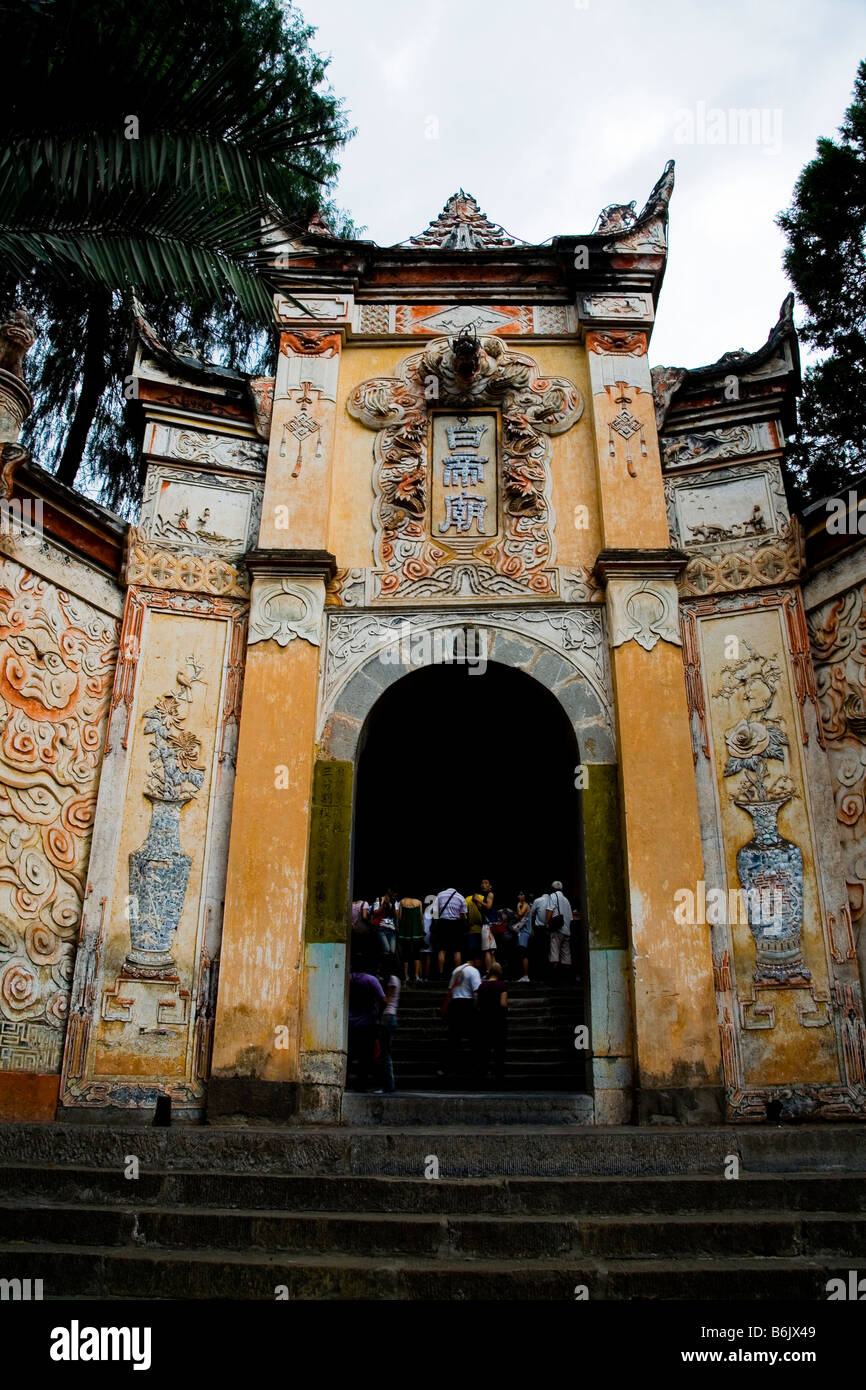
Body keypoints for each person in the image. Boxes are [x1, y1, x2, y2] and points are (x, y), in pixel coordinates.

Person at [443, 951, 481, 1080]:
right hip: (467, 1003)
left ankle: (448, 1067)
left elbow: (450, 989)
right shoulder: (474, 972)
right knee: (474, 1037)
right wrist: (476, 1007)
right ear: (476, 960)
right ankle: (475, 1067)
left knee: (453, 1037)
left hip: (455, 1003)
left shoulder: (456, 970)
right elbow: (476, 992)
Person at [347, 961, 385, 1091]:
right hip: (368, 1022)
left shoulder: (349, 979)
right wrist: (378, 1014)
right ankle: (361, 1084)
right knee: (365, 1056)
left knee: (350, 1054)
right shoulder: (371, 980)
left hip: (351, 1022)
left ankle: (345, 1082)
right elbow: (383, 999)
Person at [477, 961, 508, 1083]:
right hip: (498, 1021)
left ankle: (482, 1074)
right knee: (499, 1051)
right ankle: (499, 1076)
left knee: (484, 1049)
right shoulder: (501, 986)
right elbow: (503, 1003)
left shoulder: (482, 986)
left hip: (484, 1020)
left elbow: (476, 1003)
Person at [377, 954, 401, 1094]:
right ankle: (388, 1084)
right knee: (385, 1052)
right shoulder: (396, 979)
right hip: (391, 1016)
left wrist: (378, 993)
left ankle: (388, 1085)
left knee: (385, 1054)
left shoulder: (392, 979)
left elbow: (387, 999)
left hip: (388, 1016)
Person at [435, 886, 467, 977]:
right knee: (457, 951)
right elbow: (463, 916)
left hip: (442, 924)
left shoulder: (440, 895)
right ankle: (457, 975)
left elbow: (435, 912)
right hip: (455, 925)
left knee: (442, 950)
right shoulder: (460, 897)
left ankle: (440, 973)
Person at [545, 880, 573, 975]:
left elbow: (549, 910)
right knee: (566, 955)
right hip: (567, 930)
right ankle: (566, 977)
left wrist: (547, 923)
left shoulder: (553, 896)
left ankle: (555, 978)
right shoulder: (566, 900)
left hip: (557, 929)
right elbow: (571, 917)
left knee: (554, 954)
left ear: (552, 889)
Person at [397, 895, 424, 984]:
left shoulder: (402, 902)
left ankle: (406, 976)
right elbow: (421, 917)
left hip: (405, 930)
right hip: (416, 930)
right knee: (416, 954)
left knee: (405, 953)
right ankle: (416, 976)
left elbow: (399, 917)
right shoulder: (418, 902)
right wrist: (422, 929)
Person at [372, 891, 398, 961]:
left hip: (392, 929)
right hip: (381, 929)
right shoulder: (379, 900)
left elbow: (397, 915)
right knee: (387, 949)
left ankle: (385, 969)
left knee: (392, 951)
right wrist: (384, 904)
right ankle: (382, 968)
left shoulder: (394, 901)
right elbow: (376, 913)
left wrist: (392, 904)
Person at [514, 891, 532, 982]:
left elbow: (520, 914)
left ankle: (526, 976)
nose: (520, 896)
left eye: (522, 894)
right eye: (519, 894)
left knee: (523, 953)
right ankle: (523, 975)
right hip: (521, 932)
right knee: (521, 953)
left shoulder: (525, 905)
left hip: (525, 932)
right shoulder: (522, 905)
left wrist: (517, 906)